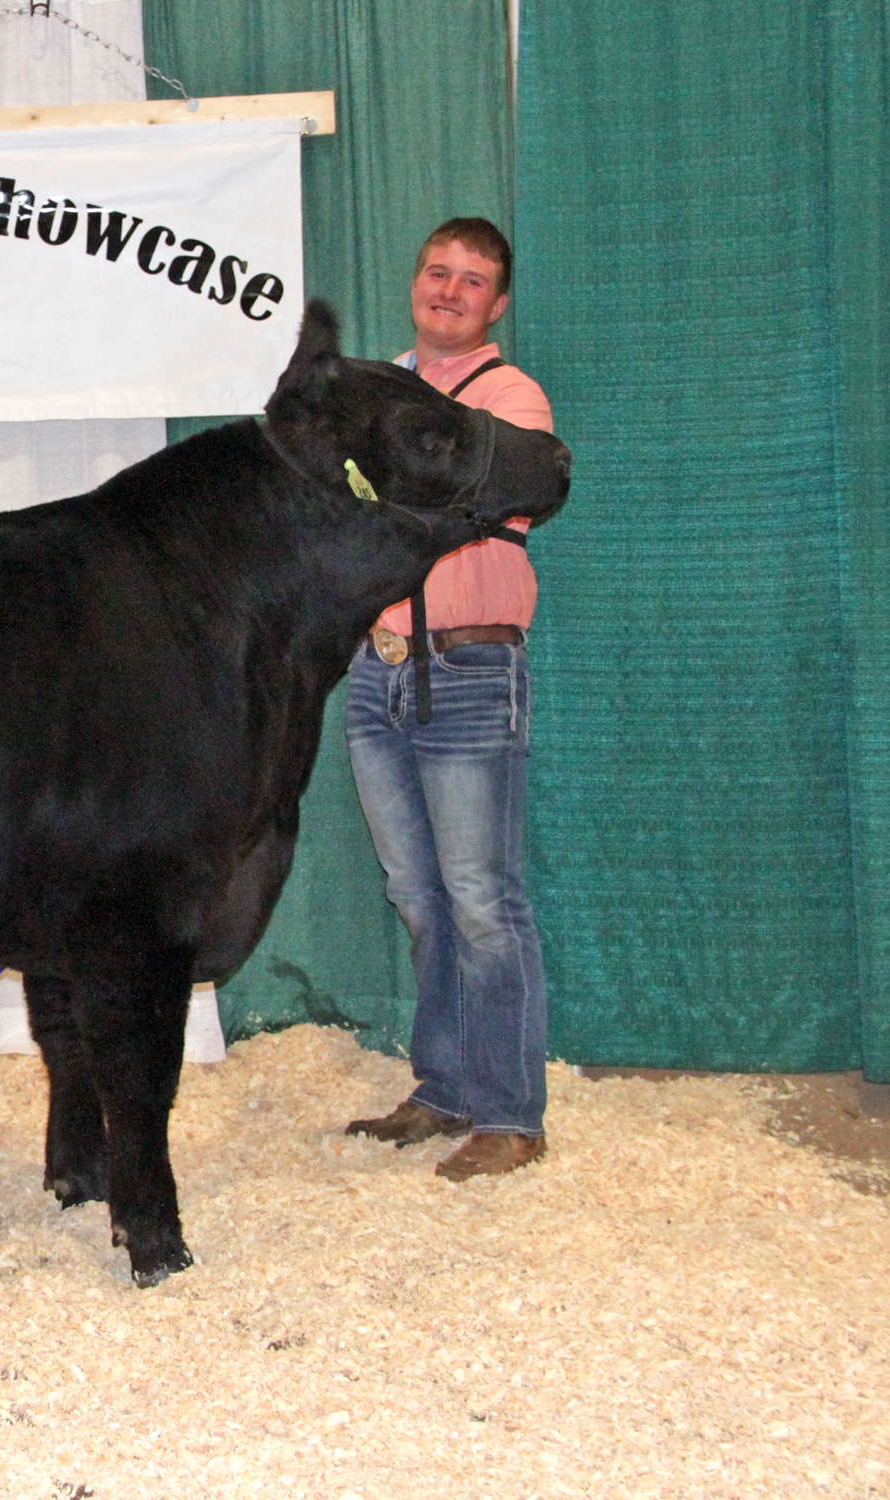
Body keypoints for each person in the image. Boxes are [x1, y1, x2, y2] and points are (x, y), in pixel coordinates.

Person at [343, 217, 558, 1181]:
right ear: (415, 281)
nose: (450, 290)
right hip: (377, 665)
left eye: (473, 281)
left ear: (497, 305)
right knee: (418, 894)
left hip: (469, 666)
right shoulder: (380, 388)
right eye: (438, 271)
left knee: (482, 898)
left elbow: (481, 490)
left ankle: (511, 1114)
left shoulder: (511, 398)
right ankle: (444, 1088)